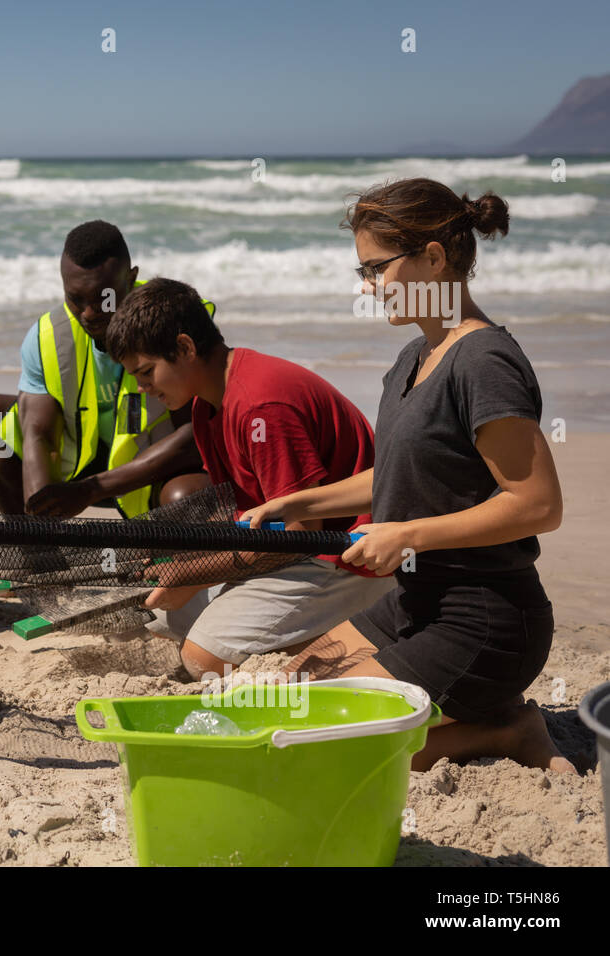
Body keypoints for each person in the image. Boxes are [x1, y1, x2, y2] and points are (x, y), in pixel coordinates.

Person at [244, 178, 572, 772]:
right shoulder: (415, 356)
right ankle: (470, 715)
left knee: (312, 743)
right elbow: (397, 472)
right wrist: (297, 504)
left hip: (486, 620)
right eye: (361, 273)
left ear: (435, 257)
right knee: (290, 686)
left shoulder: (484, 361)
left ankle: (506, 730)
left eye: (376, 269)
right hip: (415, 603)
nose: (368, 287)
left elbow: (538, 505)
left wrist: (408, 535)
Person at [106, 278, 395, 679]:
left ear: (186, 348)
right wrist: (179, 556)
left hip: (346, 553)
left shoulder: (261, 403)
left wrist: (193, 575)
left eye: (147, 372)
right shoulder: (207, 405)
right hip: (296, 544)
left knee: (205, 661)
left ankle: (375, 625)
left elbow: (299, 531)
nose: (142, 388)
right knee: (158, 623)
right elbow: (245, 512)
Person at [0, 221, 207, 518]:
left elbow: (197, 436)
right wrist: (42, 519)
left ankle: (158, 548)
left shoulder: (174, 317)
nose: (88, 314)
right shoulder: (48, 337)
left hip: (156, 465)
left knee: (185, 498)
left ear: (131, 279)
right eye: (76, 300)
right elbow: (37, 434)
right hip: (82, 468)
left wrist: (94, 488)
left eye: (102, 299)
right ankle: (35, 553)